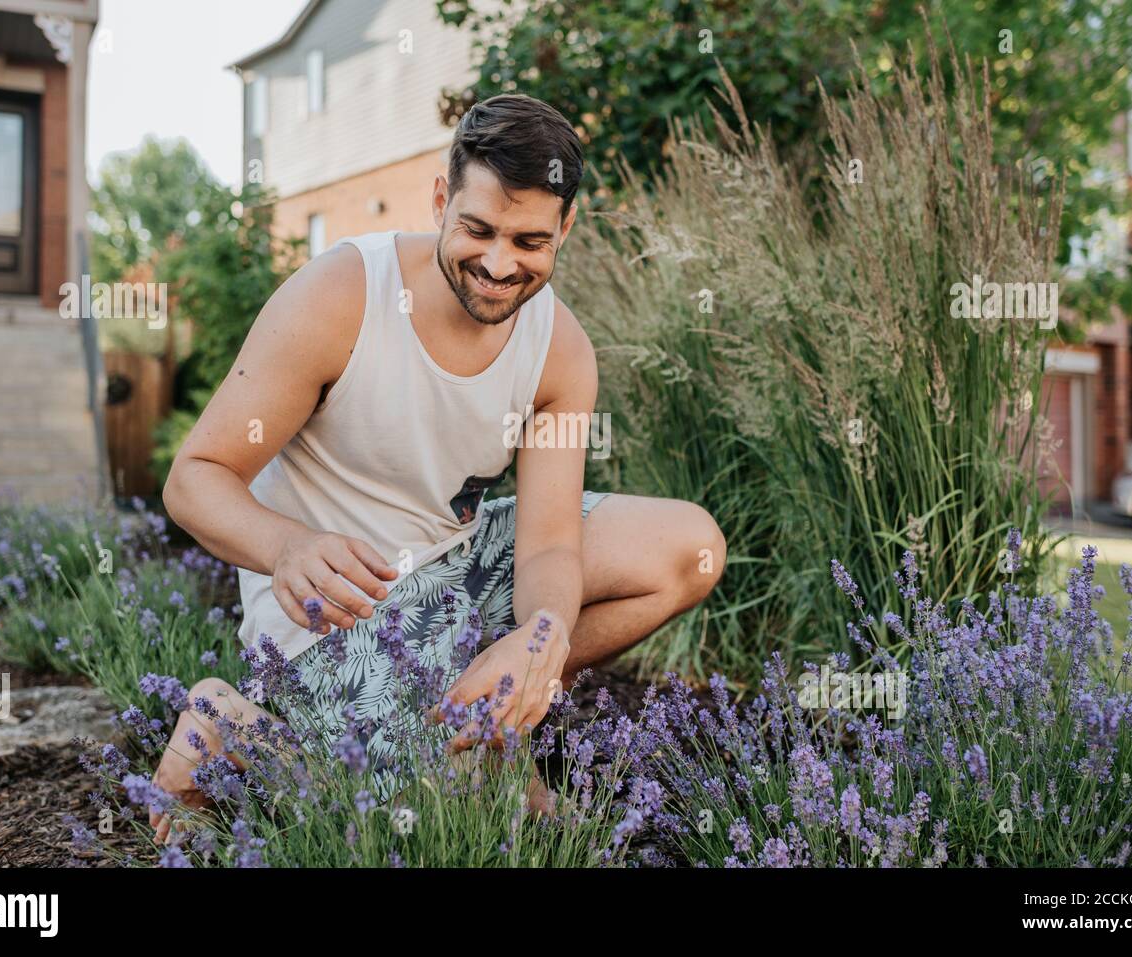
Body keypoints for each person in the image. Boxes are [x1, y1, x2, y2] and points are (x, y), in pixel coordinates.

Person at [150, 93, 726, 844]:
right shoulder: (342, 296)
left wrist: (544, 635)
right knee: (437, 824)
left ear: (566, 228)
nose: (497, 263)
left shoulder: (560, 349)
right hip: (343, 597)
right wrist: (283, 545)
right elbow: (193, 476)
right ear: (439, 199)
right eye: (478, 229)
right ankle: (230, 725)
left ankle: (486, 707)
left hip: (460, 560)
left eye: (528, 241)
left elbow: (551, 543)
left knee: (687, 547)